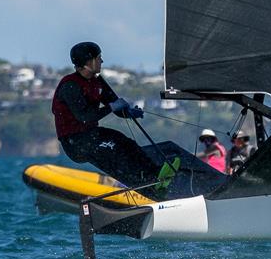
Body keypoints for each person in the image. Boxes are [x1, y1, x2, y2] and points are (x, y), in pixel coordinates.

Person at [52, 42, 178, 192]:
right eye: (99, 58)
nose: (102, 61)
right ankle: (145, 184)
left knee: (126, 143)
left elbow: (114, 104)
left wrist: (129, 112)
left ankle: (155, 174)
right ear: (89, 61)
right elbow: (85, 117)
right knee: (114, 149)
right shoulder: (70, 85)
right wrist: (112, 107)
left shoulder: (97, 81)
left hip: (92, 135)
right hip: (75, 143)